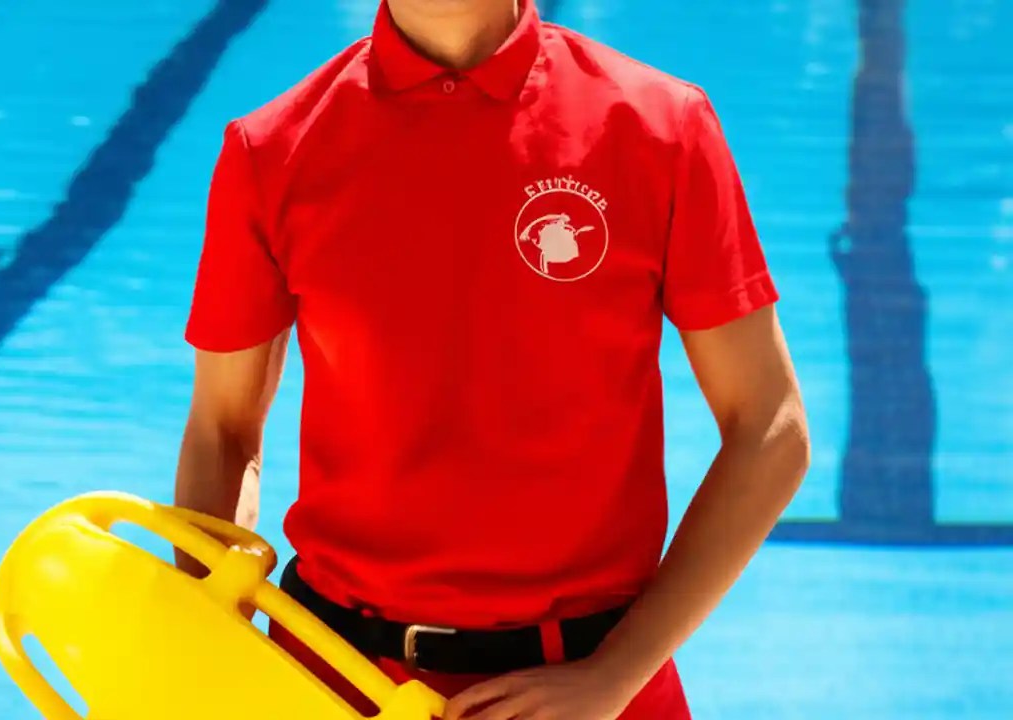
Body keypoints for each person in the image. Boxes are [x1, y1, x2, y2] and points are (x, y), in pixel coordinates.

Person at [175, 0, 811, 717]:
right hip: (329, 681)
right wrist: (206, 636)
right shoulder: (274, 149)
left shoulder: (657, 124)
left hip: (594, 685)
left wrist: (615, 674)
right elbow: (224, 433)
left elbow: (770, 428)